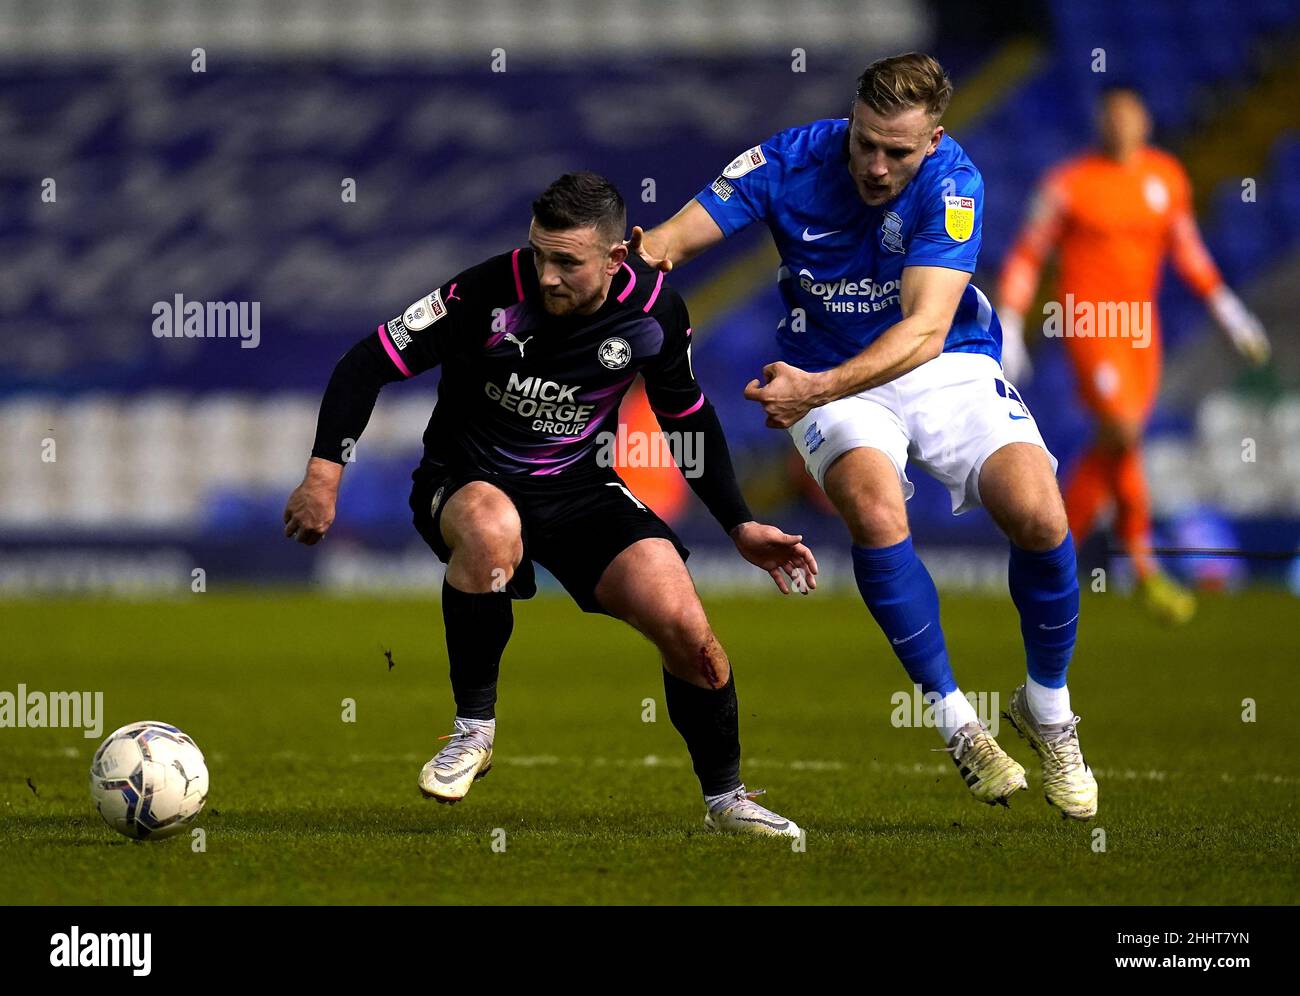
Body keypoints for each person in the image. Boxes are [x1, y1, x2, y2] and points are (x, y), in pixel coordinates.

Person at [632, 53, 1096, 819]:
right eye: (866, 143)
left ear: (933, 140)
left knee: (1042, 515)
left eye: (898, 152)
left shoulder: (954, 182)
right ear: (851, 119)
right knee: (877, 513)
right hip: (826, 363)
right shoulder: (786, 161)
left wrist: (813, 392)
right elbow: (668, 243)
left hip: (941, 361)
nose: (876, 166)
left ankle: (1047, 708)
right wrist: (616, 270)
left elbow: (924, 329)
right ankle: (958, 723)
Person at [283, 172, 817, 837]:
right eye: (539, 254)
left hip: (580, 489)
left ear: (616, 258)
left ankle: (727, 800)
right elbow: (368, 361)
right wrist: (323, 476)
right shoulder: (486, 292)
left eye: (566, 262)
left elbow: (686, 417)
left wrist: (739, 524)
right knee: (492, 527)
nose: (546, 276)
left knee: (687, 629)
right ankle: (473, 732)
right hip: (467, 477)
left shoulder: (655, 313)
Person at [997, 83, 1270, 625]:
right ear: (1100, 121)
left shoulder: (1166, 178)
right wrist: (1009, 321)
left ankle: (1057, 557)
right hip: (1090, 324)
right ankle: (1131, 566)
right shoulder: (1068, 185)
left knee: (1119, 443)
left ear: (1144, 120)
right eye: (1111, 114)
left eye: (1128, 114)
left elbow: (1188, 251)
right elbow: (1028, 254)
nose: (1119, 123)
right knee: (1120, 430)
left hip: (1142, 333)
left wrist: (1229, 312)